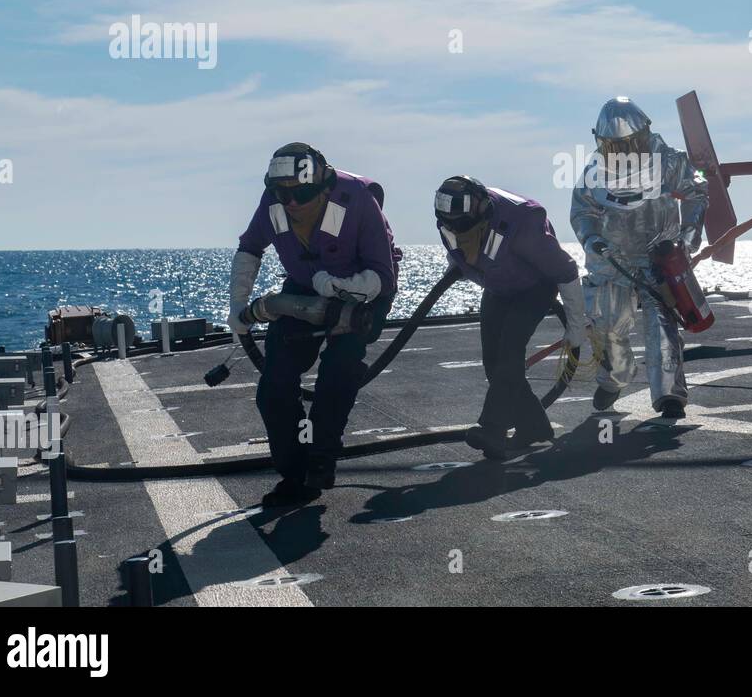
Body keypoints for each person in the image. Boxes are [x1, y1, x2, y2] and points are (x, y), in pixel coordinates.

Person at [230, 143, 398, 507]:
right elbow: (250, 248)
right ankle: (294, 474)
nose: (290, 203)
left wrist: (334, 287)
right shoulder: (273, 202)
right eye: (282, 193)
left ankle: (322, 458)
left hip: (361, 293)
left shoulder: (355, 199)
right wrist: (238, 307)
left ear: (323, 186)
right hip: (304, 288)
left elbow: (382, 278)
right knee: (274, 383)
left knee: (339, 368)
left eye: (301, 193)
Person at [570, 97, 708, 418]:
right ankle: (615, 378)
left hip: (657, 254)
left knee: (661, 326)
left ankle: (670, 395)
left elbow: (698, 187)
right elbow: (582, 210)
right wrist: (591, 239)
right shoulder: (594, 170)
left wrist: (688, 237)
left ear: (642, 137)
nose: (620, 153)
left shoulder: (670, 160)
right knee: (606, 324)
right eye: (613, 146)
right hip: (612, 259)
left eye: (626, 145)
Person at [434, 176, 587, 460]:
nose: (453, 229)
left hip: (536, 287)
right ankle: (534, 427)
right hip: (497, 286)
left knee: (510, 353)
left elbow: (566, 271)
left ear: (481, 211)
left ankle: (493, 429)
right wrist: (455, 266)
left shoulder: (522, 222)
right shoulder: (449, 222)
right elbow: (458, 250)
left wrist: (575, 328)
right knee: (493, 363)